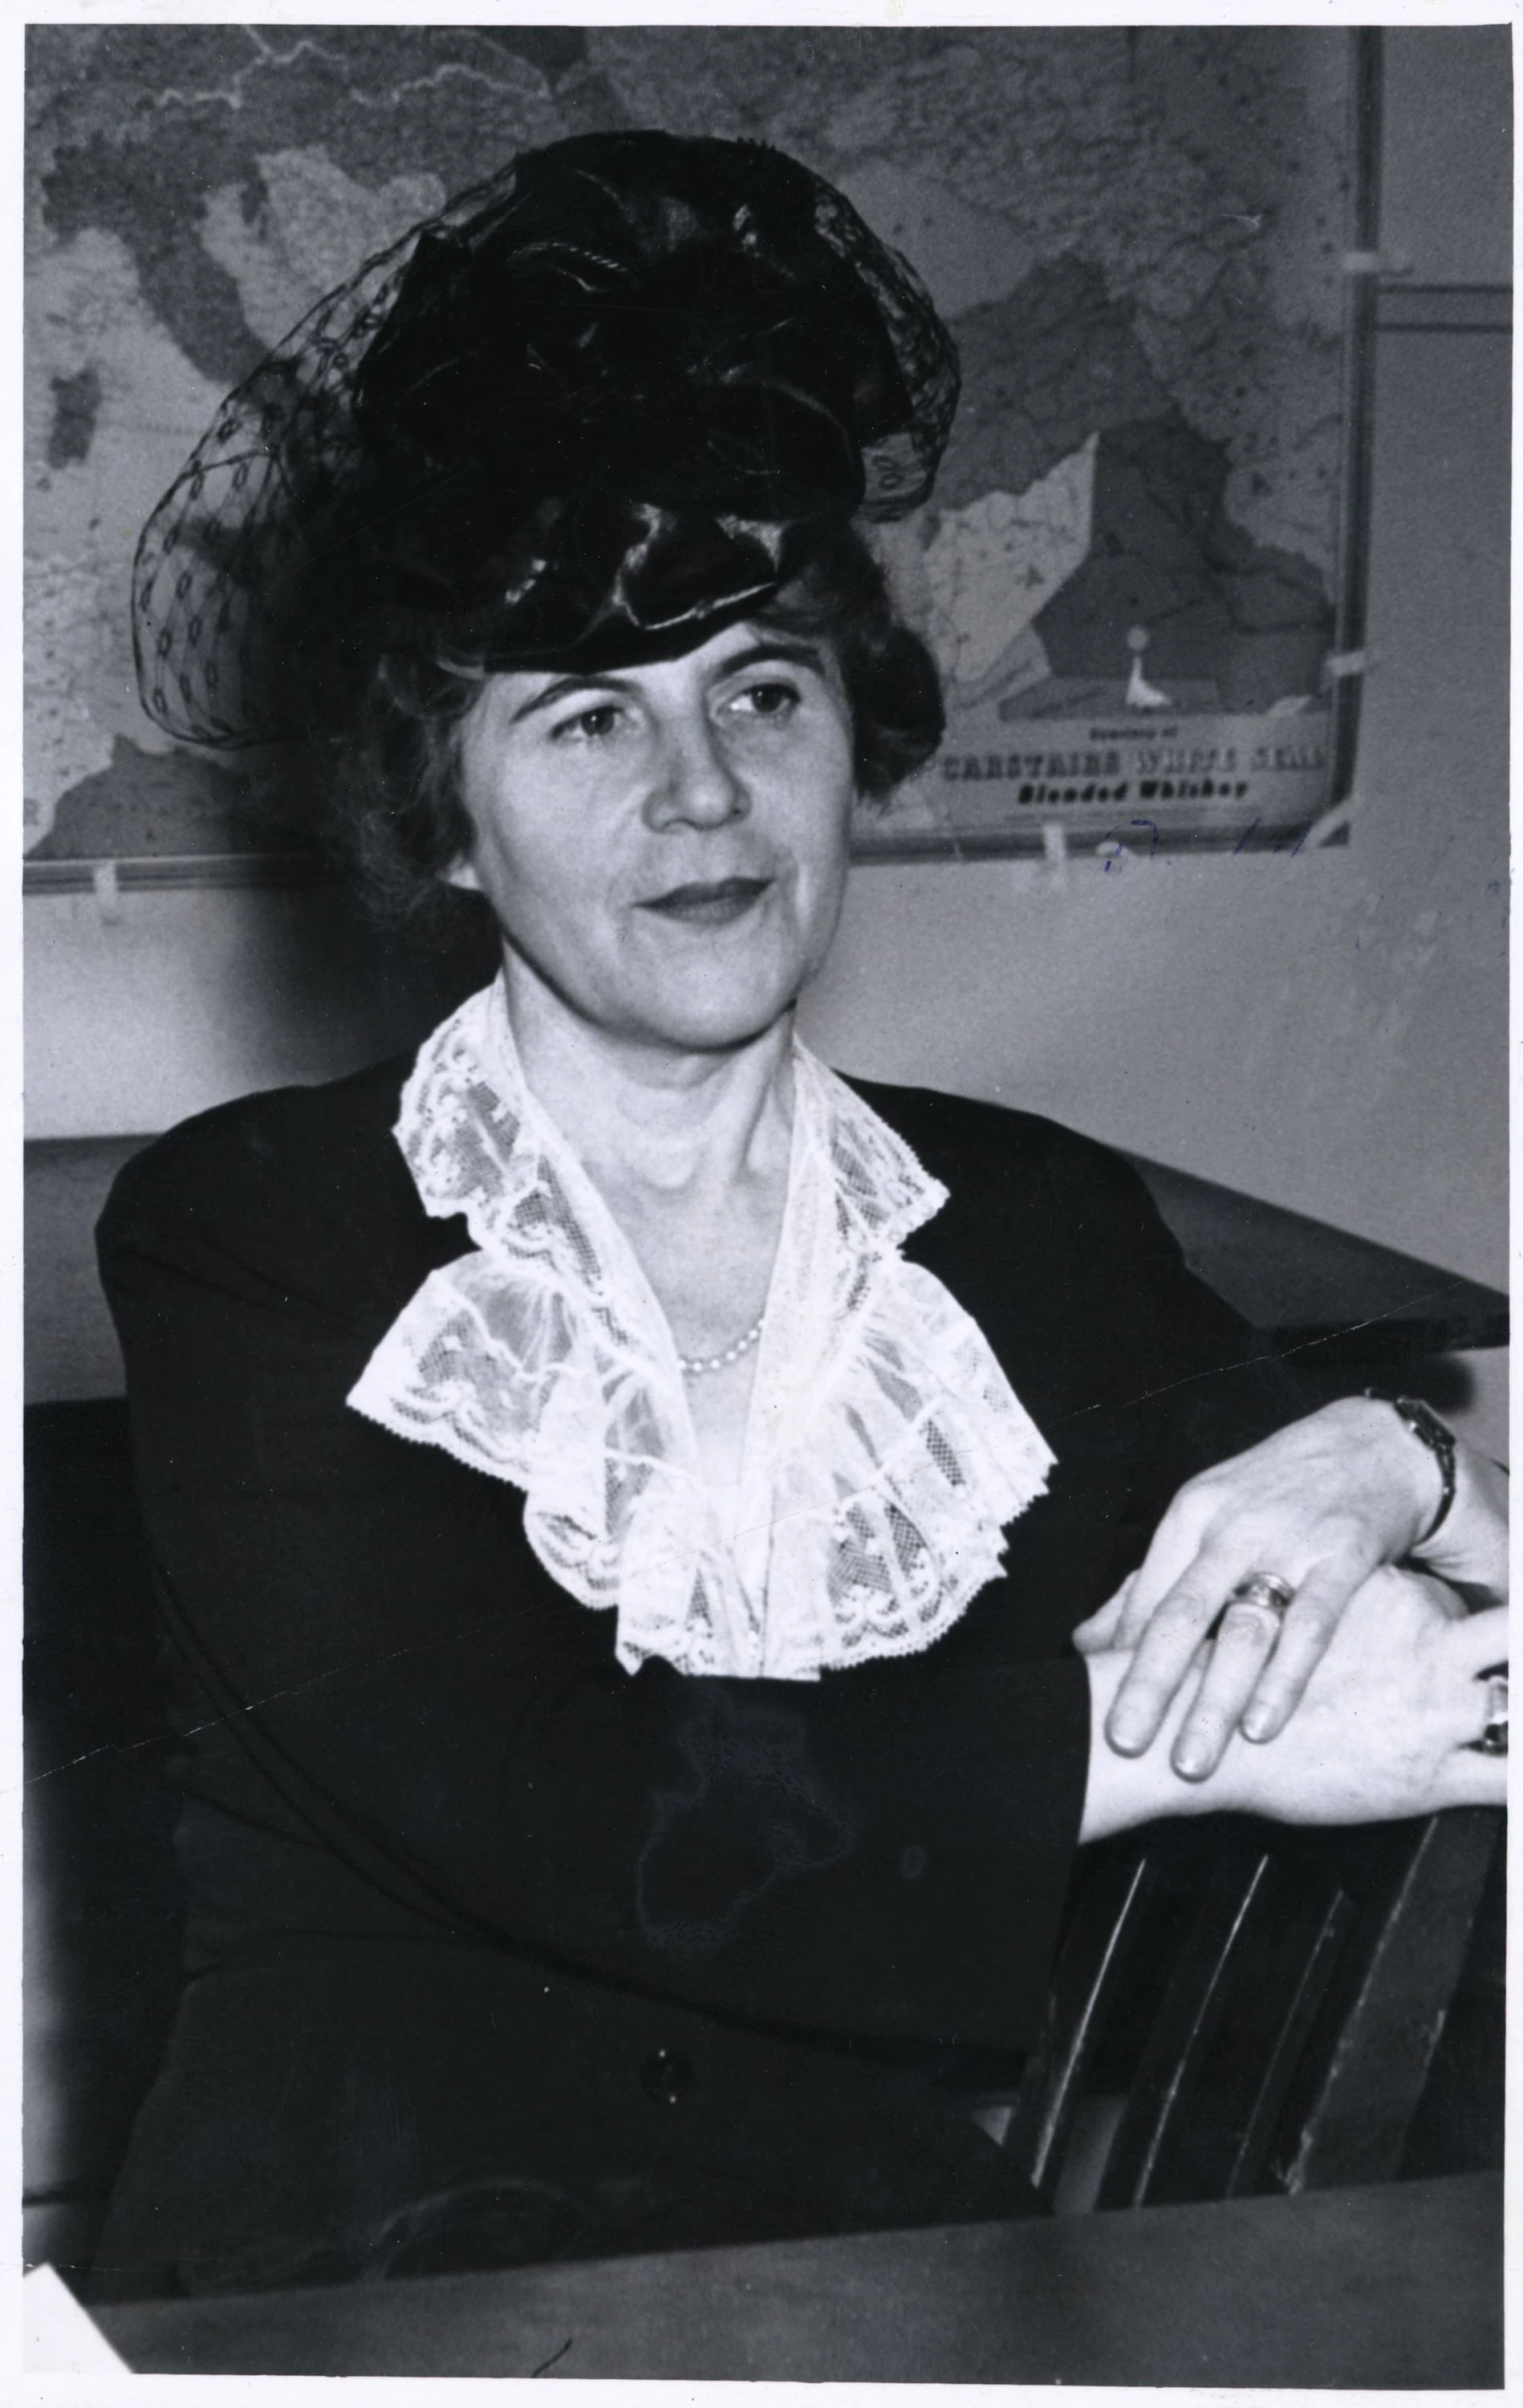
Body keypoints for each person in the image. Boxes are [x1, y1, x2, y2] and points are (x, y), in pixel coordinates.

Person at [91, 132, 1507, 2300]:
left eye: (763, 689)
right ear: (443, 819)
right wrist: (1160, 1747)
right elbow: (573, 1806)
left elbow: (1452, 1592)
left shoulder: (1028, 1229)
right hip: (356, 2284)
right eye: (589, 718)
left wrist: (1386, 1458)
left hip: (877, 2282)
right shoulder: (254, 1234)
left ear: (856, 744)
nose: (704, 794)